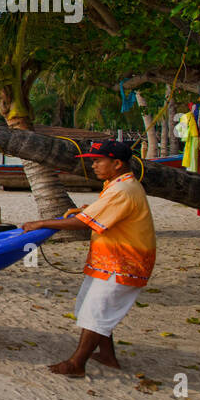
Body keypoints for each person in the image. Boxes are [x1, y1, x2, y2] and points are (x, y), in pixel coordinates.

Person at [21, 141, 156, 376]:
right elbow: (102, 213)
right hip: (109, 259)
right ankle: (107, 355)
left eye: (97, 160)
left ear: (116, 163)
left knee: (97, 309)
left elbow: (82, 223)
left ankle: (77, 364)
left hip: (124, 262)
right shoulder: (116, 185)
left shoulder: (123, 190)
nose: (93, 165)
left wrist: (42, 223)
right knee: (93, 306)